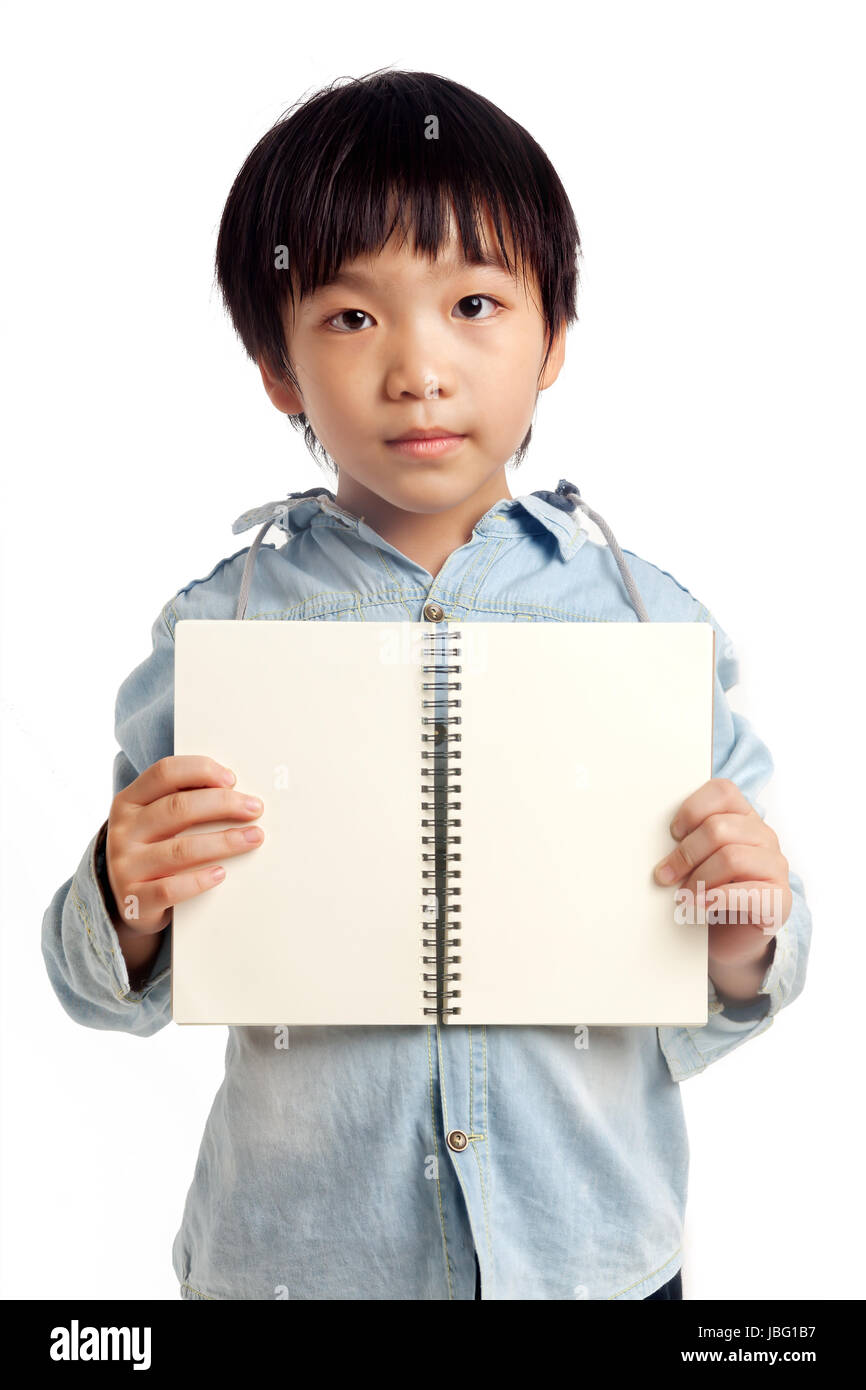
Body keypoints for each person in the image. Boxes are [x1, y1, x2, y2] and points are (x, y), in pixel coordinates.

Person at [41, 68, 811, 1301]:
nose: (418, 369)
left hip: (590, 1263)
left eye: (472, 303)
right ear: (274, 366)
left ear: (553, 336)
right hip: (299, 1266)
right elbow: (102, 988)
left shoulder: (644, 620)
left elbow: (739, 987)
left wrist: (743, 924)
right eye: (350, 319)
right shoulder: (219, 629)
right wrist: (124, 900)